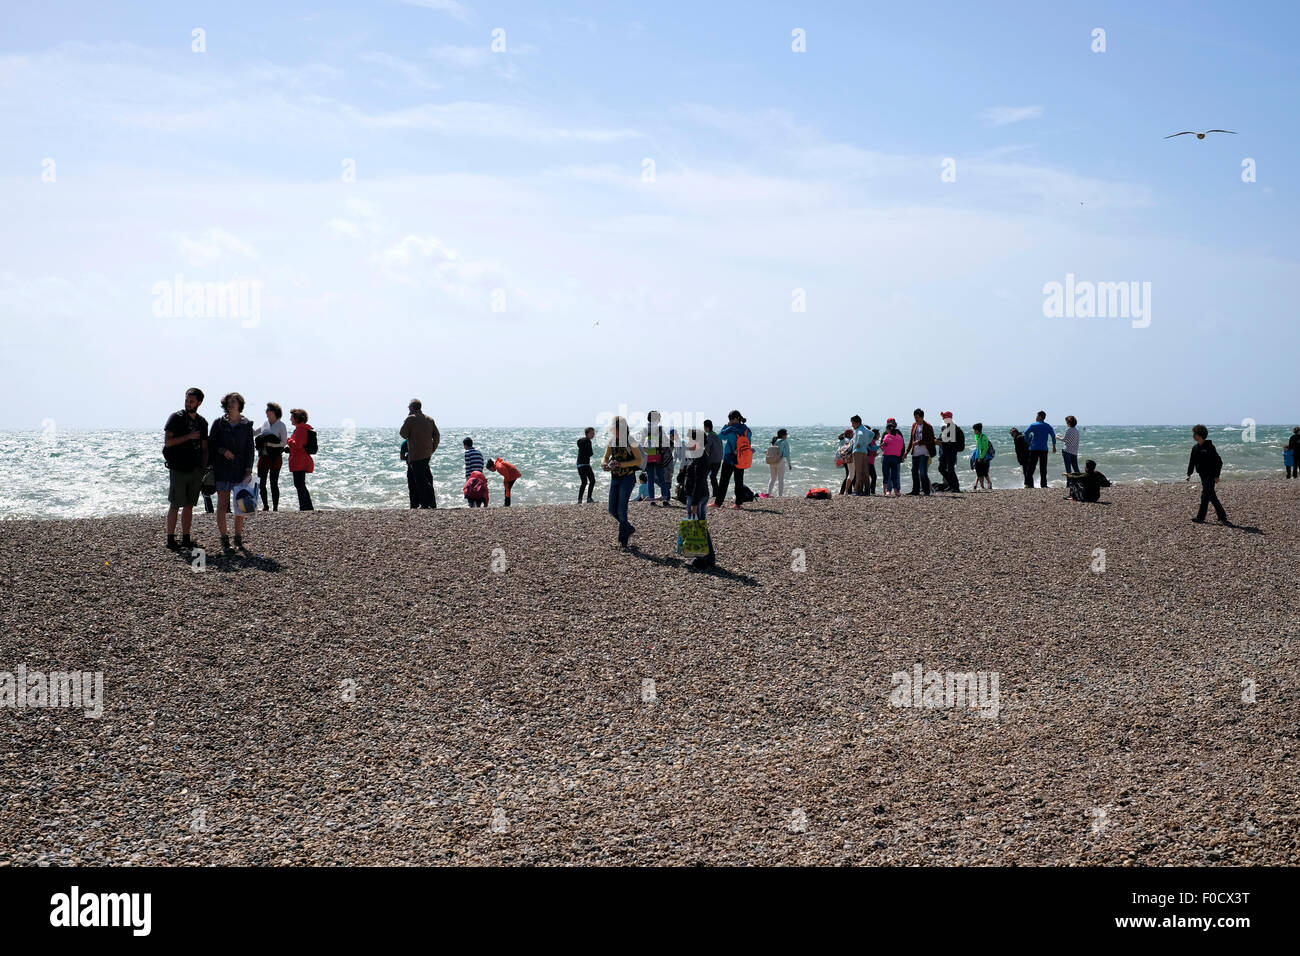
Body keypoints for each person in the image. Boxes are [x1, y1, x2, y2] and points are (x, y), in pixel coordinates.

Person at [208, 391, 256, 549]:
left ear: (240, 405)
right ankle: (224, 538)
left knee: (241, 506)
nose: (231, 403)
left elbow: (250, 449)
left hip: (240, 470)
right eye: (229, 401)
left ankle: (238, 537)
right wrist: (223, 451)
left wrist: (249, 470)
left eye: (234, 401)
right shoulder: (219, 423)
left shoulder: (247, 425)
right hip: (222, 470)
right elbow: (211, 444)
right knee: (222, 505)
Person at [163, 387, 208, 550]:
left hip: (195, 469)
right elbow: (168, 442)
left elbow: (204, 447)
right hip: (178, 468)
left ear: (199, 402)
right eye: (187, 400)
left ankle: (186, 538)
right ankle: (170, 538)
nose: (188, 403)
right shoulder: (176, 418)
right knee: (175, 504)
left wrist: (204, 468)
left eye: (191, 401)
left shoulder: (202, 422)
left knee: (189, 505)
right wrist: (188, 436)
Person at [602, 416, 645, 547]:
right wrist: (604, 464)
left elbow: (638, 460)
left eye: (613, 427)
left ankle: (623, 540)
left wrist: (621, 464)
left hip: (628, 478)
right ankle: (629, 529)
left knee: (621, 509)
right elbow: (605, 456)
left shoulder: (630, 440)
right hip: (615, 478)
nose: (611, 429)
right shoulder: (612, 441)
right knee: (612, 509)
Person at [679, 428, 716, 569]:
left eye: (691, 439)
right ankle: (708, 558)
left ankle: (701, 559)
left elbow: (699, 480)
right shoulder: (698, 455)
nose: (688, 442)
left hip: (698, 496)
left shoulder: (700, 457)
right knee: (700, 526)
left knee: (697, 527)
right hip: (699, 494)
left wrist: (694, 501)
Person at [400, 398, 440, 509]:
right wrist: (432, 448)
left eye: (409, 407)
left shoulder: (410, 419)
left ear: (412, 408)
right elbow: (437, 435)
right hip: (427, 454)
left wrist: (407, 419)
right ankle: (431, 503)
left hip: (415, 455)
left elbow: (403, 434)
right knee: (425, 477)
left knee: (420, 480)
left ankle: (425, 503)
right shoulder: (429, 419)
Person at [1186, 424, 1230, 524]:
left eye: (1195, 434)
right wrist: (1189, 474)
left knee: (1206, 495)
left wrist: (1217, 475)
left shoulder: (1210, 447)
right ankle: (1222, 516)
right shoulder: (1195, 448)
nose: (1193, 435)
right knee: (1210, 495)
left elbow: (1219, 462)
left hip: (1210, 475)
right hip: (1202, 475)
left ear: (1200, 435)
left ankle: (1201, 518)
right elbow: (1192, 462)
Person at [713, 410, 753, 509]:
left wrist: (727, 425)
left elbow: (720, 436)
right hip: (741, 458)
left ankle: (717, 503)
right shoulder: (747, 429)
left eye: (730, 419)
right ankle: (738, 504)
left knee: (724, 481)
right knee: (739, 481)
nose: (730, 421)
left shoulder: (731, 428)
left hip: (729, 458)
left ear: (734, 419)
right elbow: (749, 443)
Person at [254, 402, 288, 512]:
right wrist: (245, 425)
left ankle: (275, 508)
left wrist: (271, 444)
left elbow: (284, 443)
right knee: (261, 483)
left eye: (268, 410)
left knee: (274, 483)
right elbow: (254, 433)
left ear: (275, 412)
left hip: (275, 457)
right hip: (263, 456)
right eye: (266, 410)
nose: (266, 412)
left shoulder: (281, 425)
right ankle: (265, 506)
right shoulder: (265, 424)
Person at [285, 408, 315, 511]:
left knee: (299, 484)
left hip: (299, 461)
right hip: (299, 460)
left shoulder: (300, 429)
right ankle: (307, 506)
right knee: (300, 484)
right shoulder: (301, 429)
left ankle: (305, 507)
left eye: (292, 417)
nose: (290, 419)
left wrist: (288, 440)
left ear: (297, 418)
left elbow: (298, 445)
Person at [639, 411, 671, 505]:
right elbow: (666, 441)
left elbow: (641, 443)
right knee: (661, 478)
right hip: (658, 456)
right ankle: (665, 499)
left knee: (651, 478)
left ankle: (652, 500)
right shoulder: (660, 428)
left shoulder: (645, 428)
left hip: (648, 455)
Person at [904, 408, 936, 496]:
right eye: (915, 417)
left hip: (924, 453)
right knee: (914, 471)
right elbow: (911, 440)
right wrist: (906, 451)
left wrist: (920, 442)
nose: (916, 419)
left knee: (923, 473)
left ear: (922, 417)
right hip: (915, 453)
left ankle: (926, 491)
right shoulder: (914, 425)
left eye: (917, 417)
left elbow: (931, 440)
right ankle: (915, 491)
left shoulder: (928, 426)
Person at [1023, 411, 1057, 488]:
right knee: (1043, 468)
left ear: (1040, 417)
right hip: (1044, 449)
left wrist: (1027, 441)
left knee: (1031, 467)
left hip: (1034, 448)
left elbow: (1026, 433)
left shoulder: (1033, 425)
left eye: (1037, 416)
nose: (1036, 417)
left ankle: (1027, 484)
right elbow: (1053, 435)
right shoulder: (1048, 426)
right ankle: (1044, 485)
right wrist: (1054, 446)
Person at [935, 411, 962, 492]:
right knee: (941, 468)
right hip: (946, 452)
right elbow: (944, 438)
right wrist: (937, 439)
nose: (943, 419)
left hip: (951, 452)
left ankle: (955, 487)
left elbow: (951, 442)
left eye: (944, 417)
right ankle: (952, 485)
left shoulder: (952, 427)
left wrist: (939, 442)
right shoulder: (948, 426)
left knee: (950, 470)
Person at [879, 419, 905, 497]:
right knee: (894, 474)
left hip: (889, 456)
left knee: (892, 474)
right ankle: (890, 490)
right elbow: (902, 445)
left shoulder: (889, 434)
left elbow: (882, 445)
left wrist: (901, 455)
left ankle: (893, 490)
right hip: (895, 457)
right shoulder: (889, 434)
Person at [850, 415, 872, 495]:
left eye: (853, 423)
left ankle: (857, 490)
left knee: (858, 472)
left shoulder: (859, 429)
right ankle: (867, 491)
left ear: (857, 423)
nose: (852, 425)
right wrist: (866, 443)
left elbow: (860, 435)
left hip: (857, 452)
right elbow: (872, 434)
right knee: (865, 472)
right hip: (864, 452)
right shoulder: (865, 428)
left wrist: (859, 443)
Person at [766, 428, 792, 496]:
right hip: (780, 461)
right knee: (781, 479)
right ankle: (780, 495)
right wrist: (789, 463)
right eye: (786, 434)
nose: (787, 435)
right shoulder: (784, 442)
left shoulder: (774, 441)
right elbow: (787, 454)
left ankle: (768, 494)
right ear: (783, 435)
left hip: (772, 461)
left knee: (772, 478)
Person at [703, 419, 724, 498]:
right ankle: (716, 493)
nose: (704, 428)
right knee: (713, 477)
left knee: (705, 476)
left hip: (713, 460)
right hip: (719, 460)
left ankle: (709, 493)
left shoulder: (710, 436)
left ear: (707, 427)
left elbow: (707, 448)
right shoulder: (716, 435)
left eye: (704, 427)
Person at [970, 422, 993, 491]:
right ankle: (982, 487)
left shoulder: (983, 437)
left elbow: (985, 448)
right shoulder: (978, 436)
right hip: (977, 457)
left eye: (974, 430)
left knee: (984, 472)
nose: (973, 431)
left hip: (983, 458)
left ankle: (989, 483)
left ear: (977, 430)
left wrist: (981, 457)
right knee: (979, 473)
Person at [576, 427, 597, 502]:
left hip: (579, 464)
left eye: (593, 433)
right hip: (585, 464)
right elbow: (590, 453)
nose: (593, 435)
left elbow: (579, 445)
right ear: (587, 433)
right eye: (591, 433)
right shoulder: (588, 441)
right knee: (592, 480)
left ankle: (579, 499)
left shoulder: (581, 441)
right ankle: (589, 498)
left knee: (584, 482)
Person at [834, 429, 854, 495]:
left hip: (840, 458)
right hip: (845, 458)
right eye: (852, 434)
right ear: (848, 434)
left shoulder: (843, 440)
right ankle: (844, 491)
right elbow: (850, 449)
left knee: (848, 474)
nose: (853, 435)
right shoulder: (848, 440)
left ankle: (846, 490)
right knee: (849, 475)